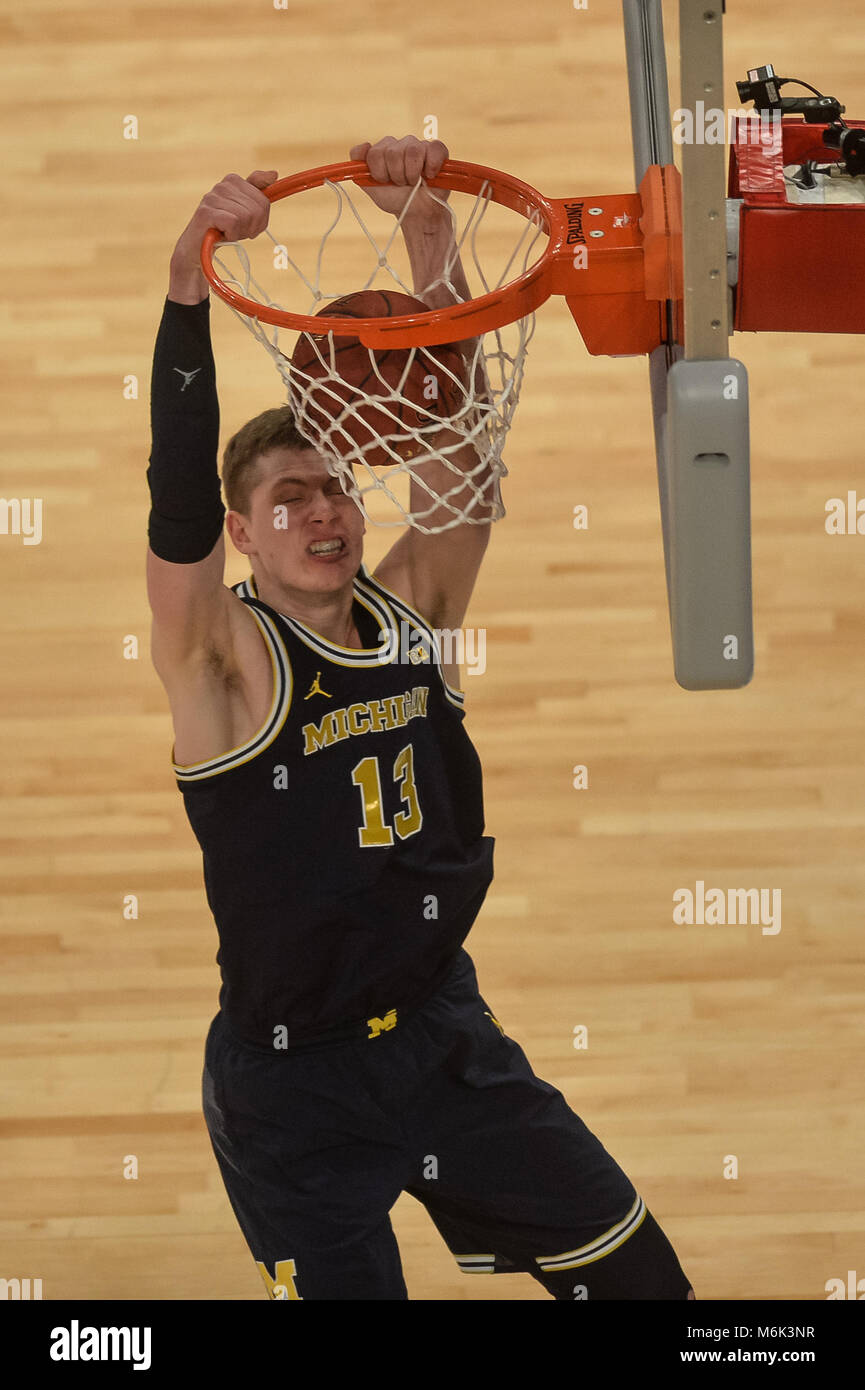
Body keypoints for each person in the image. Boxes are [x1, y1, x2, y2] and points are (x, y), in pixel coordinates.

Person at [146, 134, 695, 1301]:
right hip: (296, 1090)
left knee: (652, 1294)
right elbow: (177, 490)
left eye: (333, 485)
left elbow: (460, 454)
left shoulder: (415, 611)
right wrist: (187, 288)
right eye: (285, 499)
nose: (320, 511)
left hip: (446, 1037)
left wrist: (428, 233)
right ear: (242, 535)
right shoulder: (225, 667)